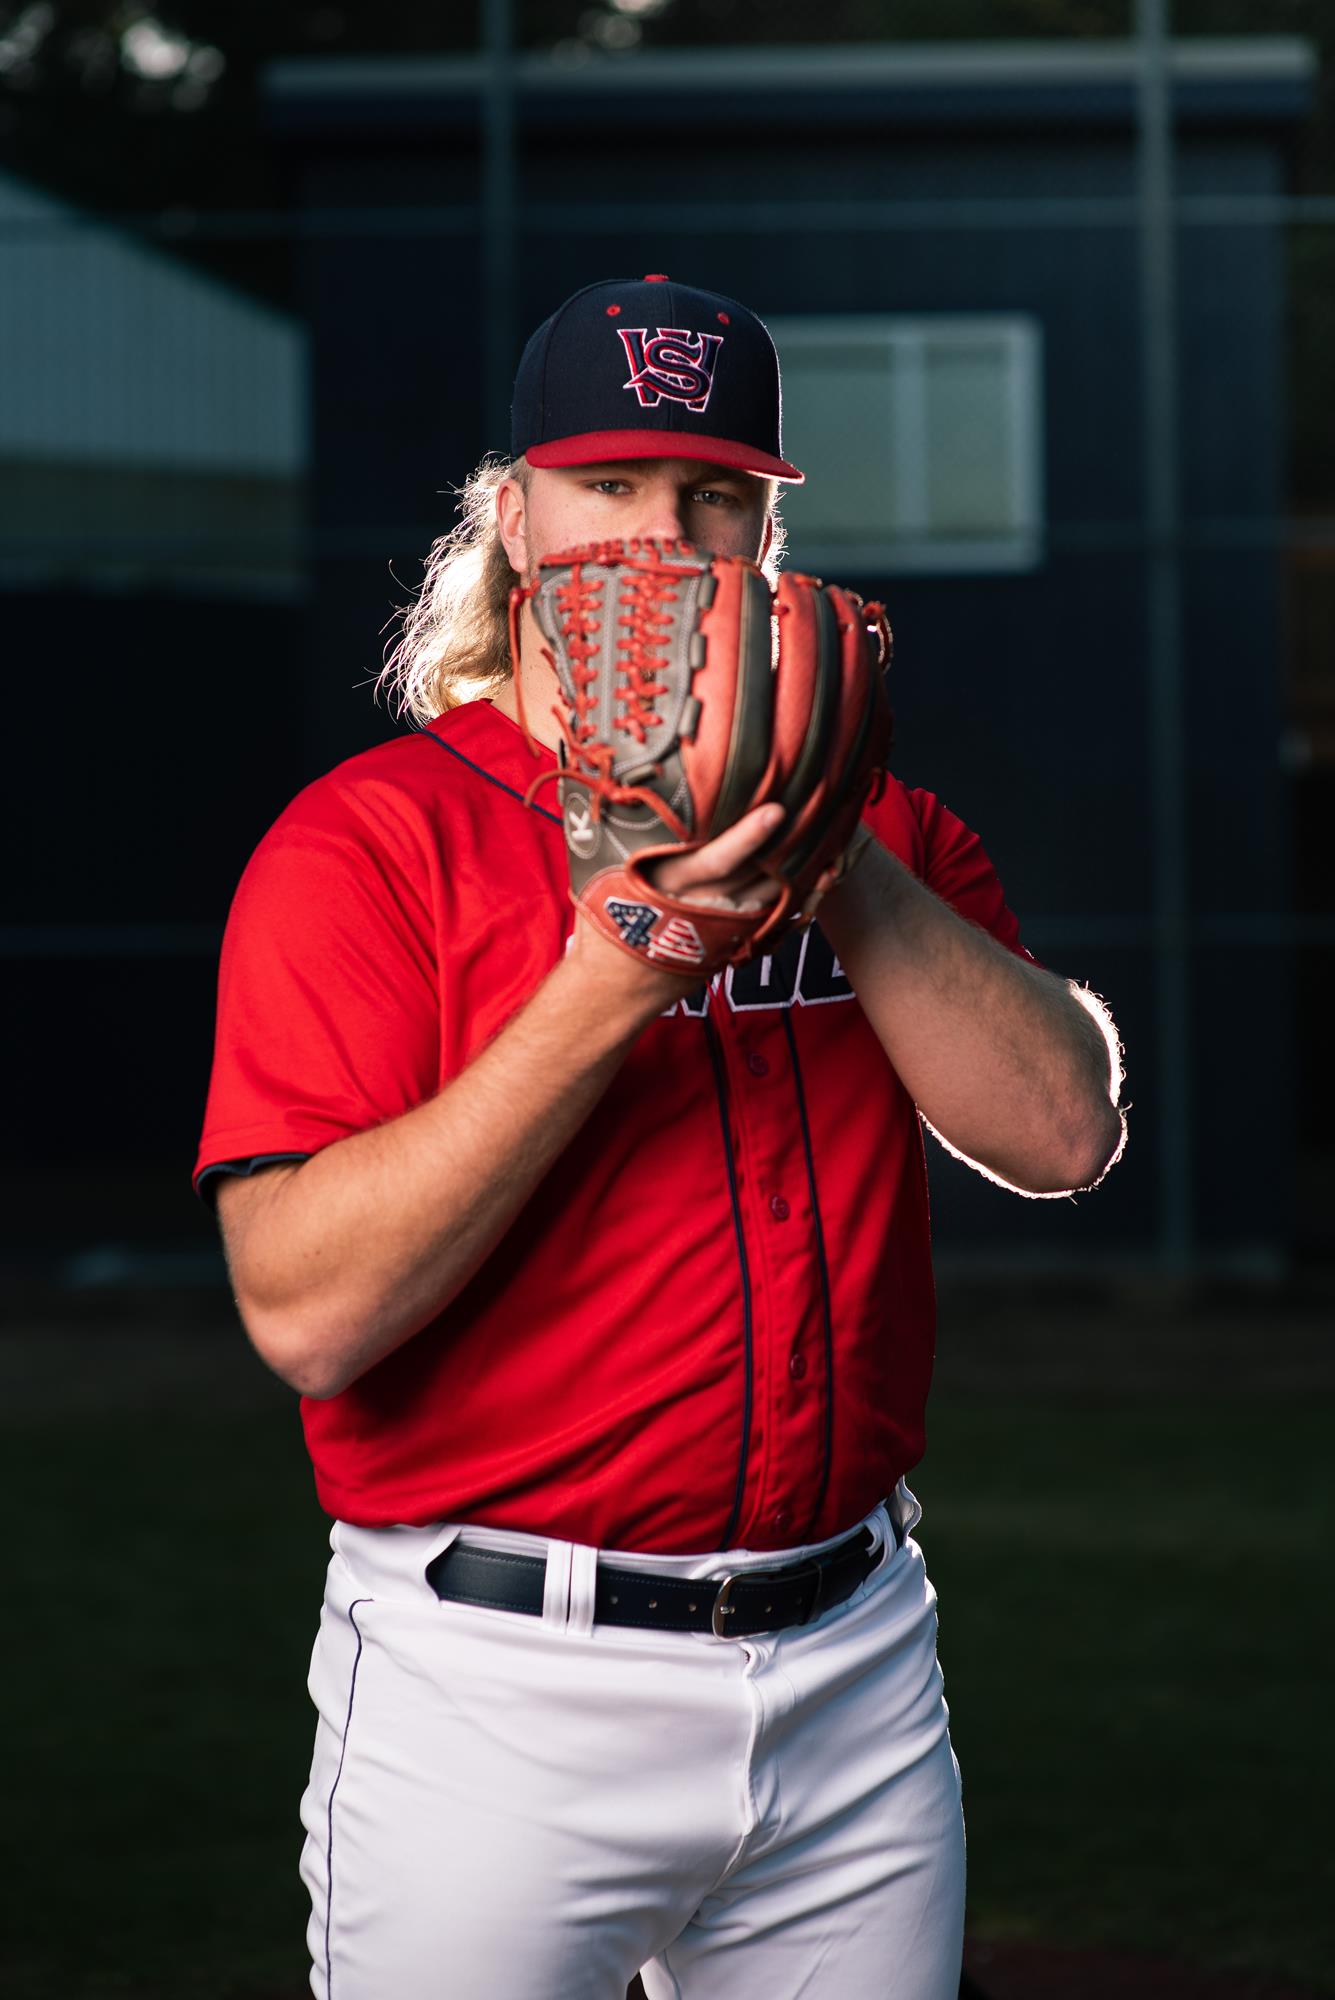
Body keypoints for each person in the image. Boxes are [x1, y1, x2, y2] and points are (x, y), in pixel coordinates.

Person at [195, 274, 1125, 2000]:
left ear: (769, 532)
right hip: (497, 1685)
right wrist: (619, 971)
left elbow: (1068, 1131)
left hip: (852, 1660)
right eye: (608, 486)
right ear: (515, 515)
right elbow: (308, 1317)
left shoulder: (889, 830)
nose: (657, 537)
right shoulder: (369, 848)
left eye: (711, 496)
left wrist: (829, 854)